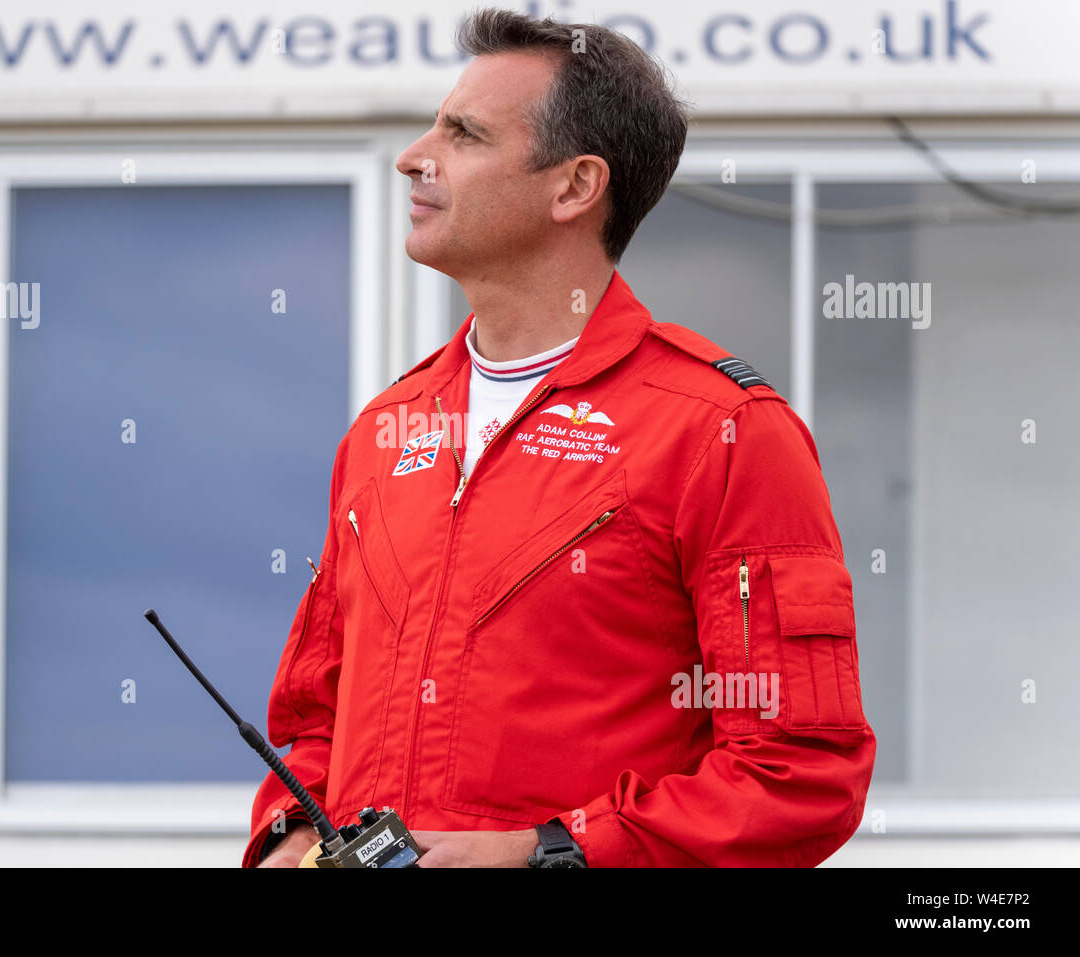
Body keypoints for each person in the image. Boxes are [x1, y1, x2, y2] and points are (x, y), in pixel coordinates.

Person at [244, 7, 875, 868]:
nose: (412, 156)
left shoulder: (720, 431)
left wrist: (548, 854)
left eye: (463, 134)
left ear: (575, 187)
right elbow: (311, 716)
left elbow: (800, 772)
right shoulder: (383, 433)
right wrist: (291, 834)